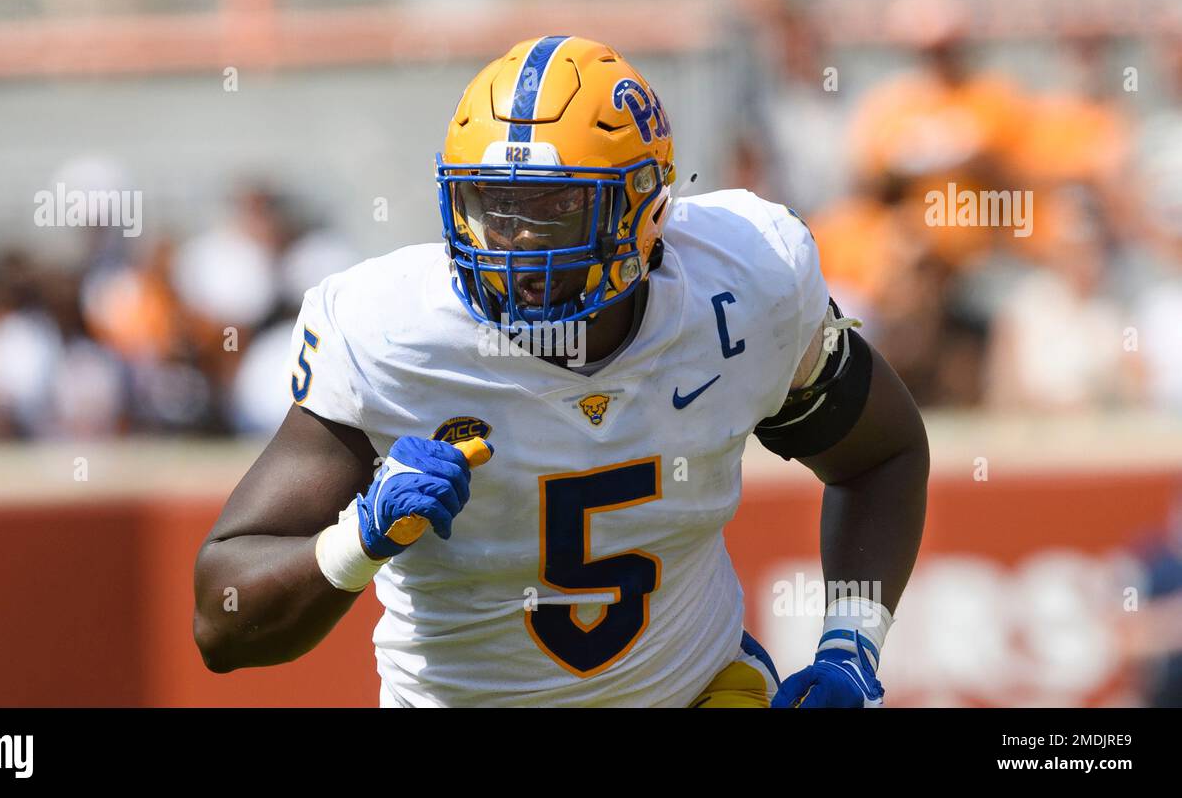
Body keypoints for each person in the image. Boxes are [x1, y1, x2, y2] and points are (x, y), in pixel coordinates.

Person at [193, 36, 929, 707]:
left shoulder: (746, 280)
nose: (515, 246)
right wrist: (359, 537)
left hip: (692, 689)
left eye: (554, 212)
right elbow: (220, 621)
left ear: (645, 207)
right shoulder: (394, 335)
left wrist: (850, 647)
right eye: (494, 207)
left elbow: (881, 456)